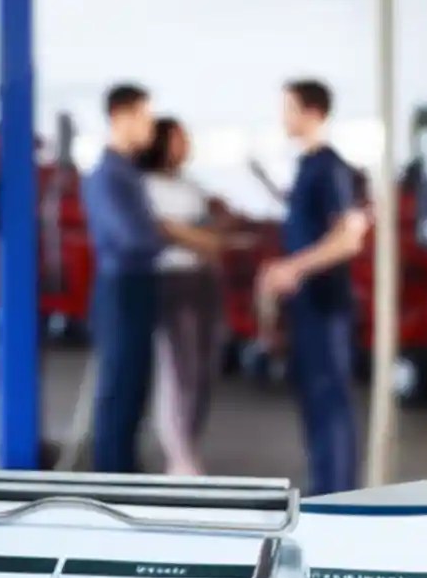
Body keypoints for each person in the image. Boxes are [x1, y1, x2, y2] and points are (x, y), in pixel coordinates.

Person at [82, 85, 216, 474]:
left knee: (136, 391)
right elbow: (136, 237)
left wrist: (167, 231)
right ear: (120, 117)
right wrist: (173, 233)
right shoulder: (108, 175)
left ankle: (125, 476)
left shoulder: (128, 172)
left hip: (141, 286)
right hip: (122, 288)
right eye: (144, 117)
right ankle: (112, 482)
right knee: (120, 393)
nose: (149, 127)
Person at [253, 80, 370, 495]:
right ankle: (325, 491)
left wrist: (293, 267)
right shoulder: (306, 166)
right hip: (307, 306)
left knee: (330, 405)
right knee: (314, 405)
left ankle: (339, 497)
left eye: (289, 108)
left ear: (312, 112)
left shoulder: (329, 166)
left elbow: (348, 238)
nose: (283, 117)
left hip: (326, 305)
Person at [138, 118, 224, 476]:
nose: (185, 145)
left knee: (203, 371)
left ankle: (190, 443)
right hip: (170, 282)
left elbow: (211, 236)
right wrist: (195, 237)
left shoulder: (191, 187)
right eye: (178, 139)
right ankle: (179, 454)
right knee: (178, 371)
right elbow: (162, 232)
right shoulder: (145, 187)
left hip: (203, 281)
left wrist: (186, 233)